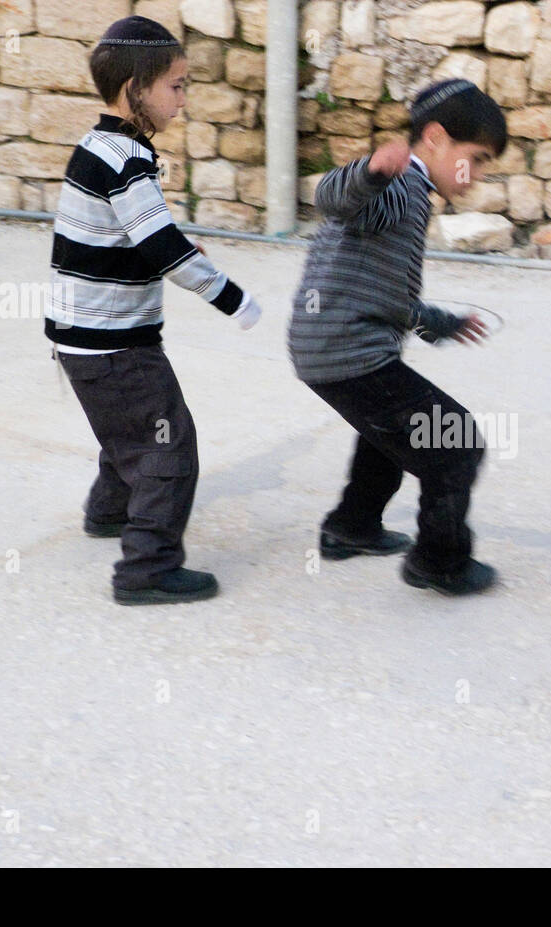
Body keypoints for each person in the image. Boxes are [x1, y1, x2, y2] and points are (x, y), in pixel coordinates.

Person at [45, 16, 263, 605]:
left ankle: (108, 513)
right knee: (168, 446)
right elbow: (162, 248)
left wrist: (176, 247)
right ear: (135, 87)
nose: (183, 99)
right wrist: (231, 297)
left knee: (127, 431)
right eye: (177, 85)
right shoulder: (130, 160)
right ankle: (147, 567)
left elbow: (134, 234)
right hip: (117, 340)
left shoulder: (98, 147)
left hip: (79, 337)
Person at [289, 79, 503, 596]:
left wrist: (444, 324)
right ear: (433, 138)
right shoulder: (399, 186)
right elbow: (333, 199)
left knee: (386, 435)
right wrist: (370, 171)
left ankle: (351, 528)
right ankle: (439, 563)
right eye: (472, 159)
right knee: (455, 443)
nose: (474, 177)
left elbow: (390, 299)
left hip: (329, 345)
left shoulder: (411, 195)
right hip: (347, 351)